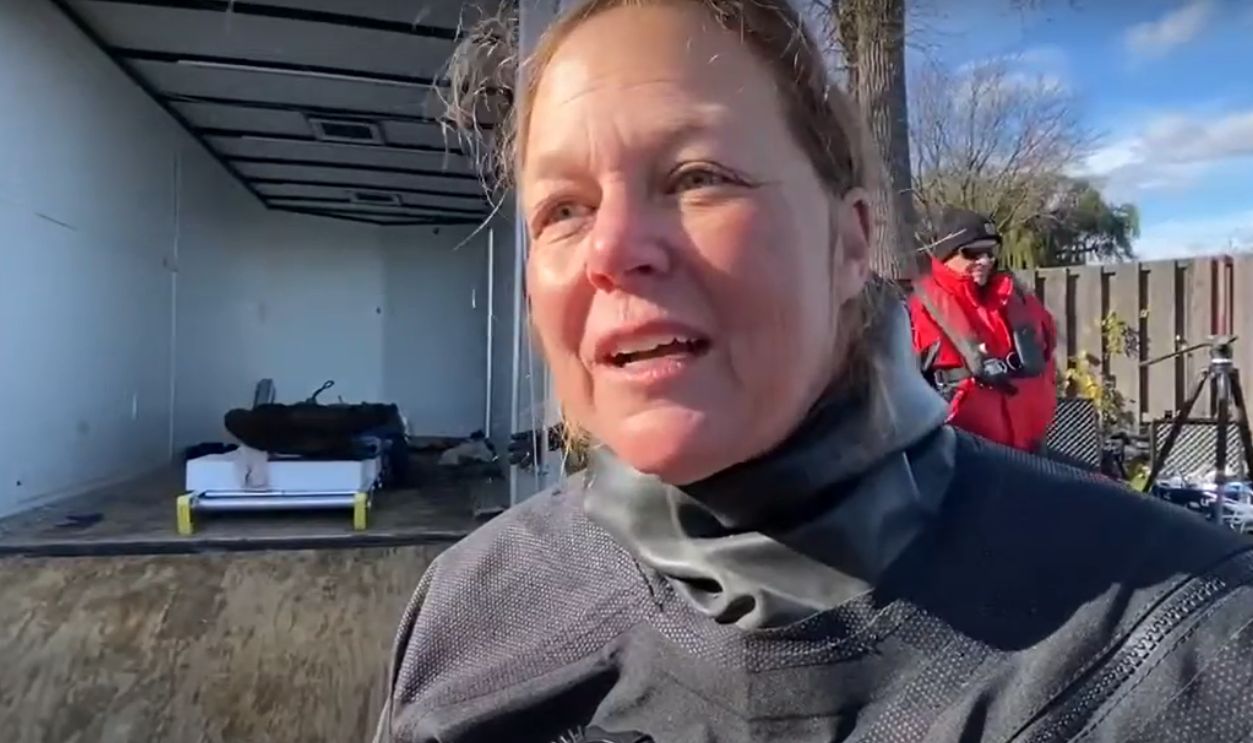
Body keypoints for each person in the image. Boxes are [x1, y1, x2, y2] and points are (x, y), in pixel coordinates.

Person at [373, 2, 1253, 741]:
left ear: (851, 240)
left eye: (696, 176)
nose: (611, 249)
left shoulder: (1189, 645)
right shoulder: (473, 604)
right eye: (563, 209)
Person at [909, 208, 1059, 453]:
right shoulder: (916, 314)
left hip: (1029, 454)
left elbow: (1049, 357)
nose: (985, 260)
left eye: (990, 252)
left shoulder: (1019, 300)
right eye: (973, 252)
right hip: (959, 460)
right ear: (945, 255)